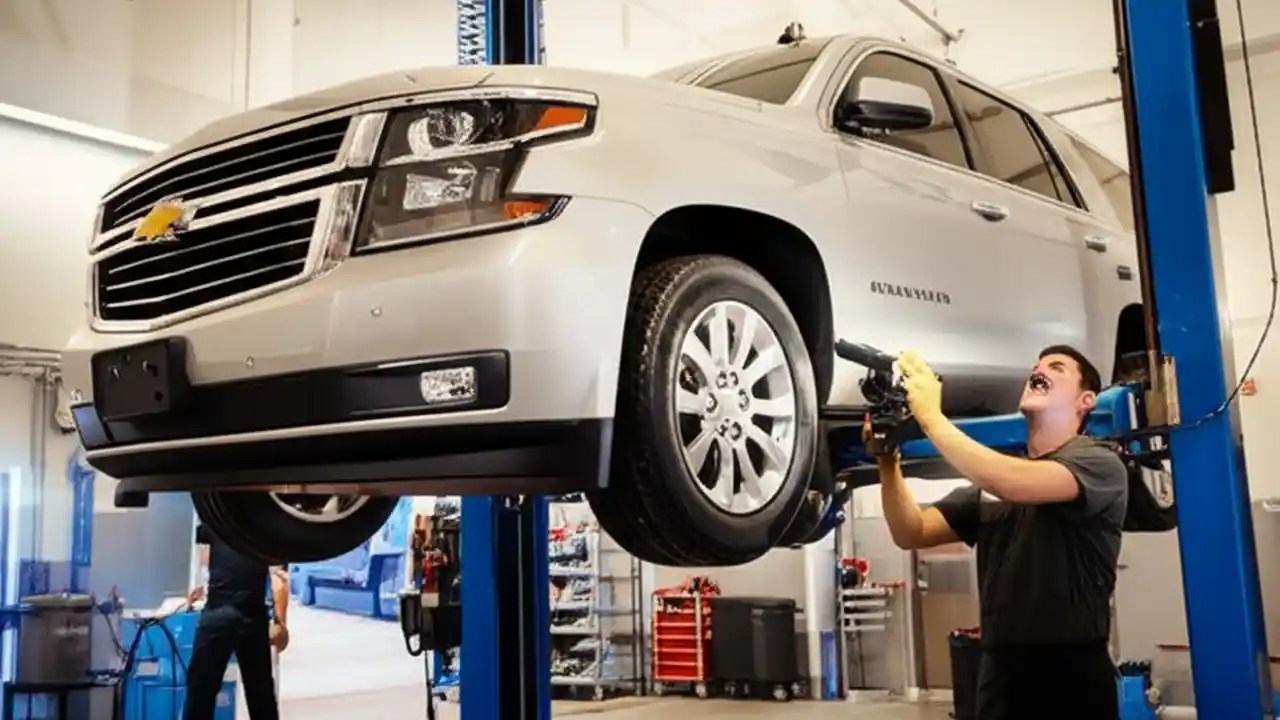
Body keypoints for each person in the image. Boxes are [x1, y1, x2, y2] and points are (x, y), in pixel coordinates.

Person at [870, 346, 1128, 719]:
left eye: (1056, 368)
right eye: (1035, 367)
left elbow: (1015, 483)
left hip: (1070, 673)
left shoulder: (1099, 464)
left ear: (1085, 401)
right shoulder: (994, 486)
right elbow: (912, 532)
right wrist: (886, 461)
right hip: (999, 670)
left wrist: (932, 418)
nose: (1038, 371)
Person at [183, 525, 290, 720]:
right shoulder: (264, 525)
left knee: (202, 690)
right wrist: (280, 621)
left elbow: (278, 576)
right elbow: (278, 576)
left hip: (227, 613)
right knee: (260, 695)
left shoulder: (219, 516)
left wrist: (280, 621)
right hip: (245, 614)